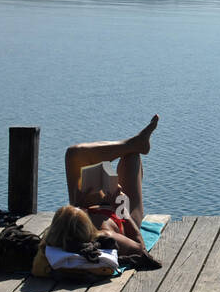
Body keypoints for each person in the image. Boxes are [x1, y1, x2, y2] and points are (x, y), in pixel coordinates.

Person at [57, 114, 162, 268]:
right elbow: (141, 251)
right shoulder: (105, 236)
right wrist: (120, 208)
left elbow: (67, 221)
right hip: (121, 216)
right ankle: (136, 145)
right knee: (131, 158)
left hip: (88, 205)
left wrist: (78, 205)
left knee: (74, 154)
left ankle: (134, 143)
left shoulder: (65, 229)